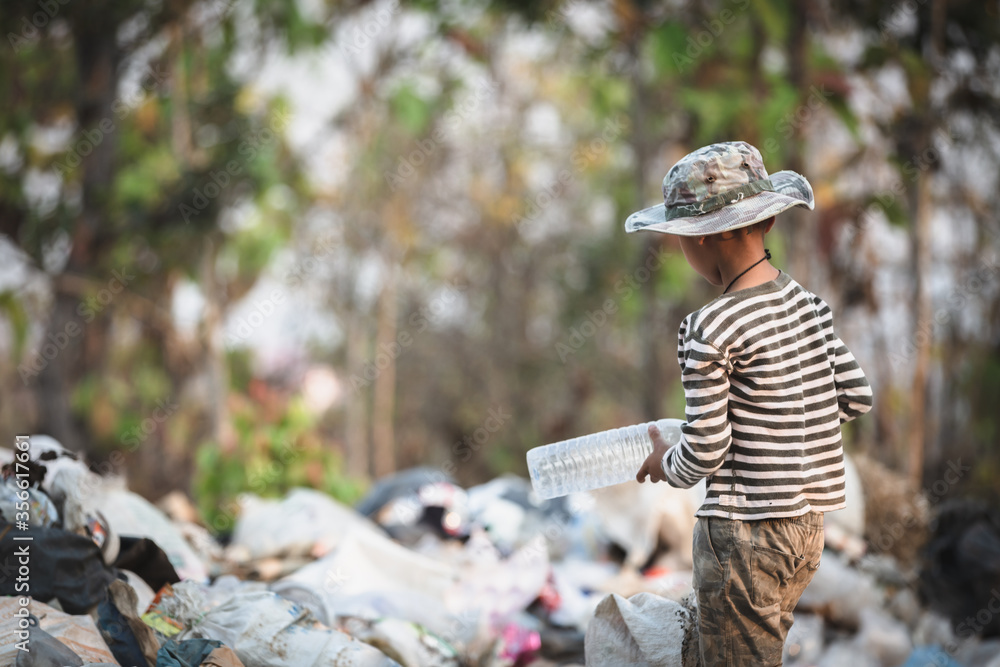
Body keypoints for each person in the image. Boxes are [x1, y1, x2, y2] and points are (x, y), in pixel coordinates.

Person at [629, 141, 873, 665]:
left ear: (707, 238)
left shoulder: (707, 327)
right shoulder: (810, 306)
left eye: (682, 239)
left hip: (744, 537)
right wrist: (785, 423)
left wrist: (664, 464)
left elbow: (707, 450)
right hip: (807, 532)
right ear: (765, 223)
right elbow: (856, 394)